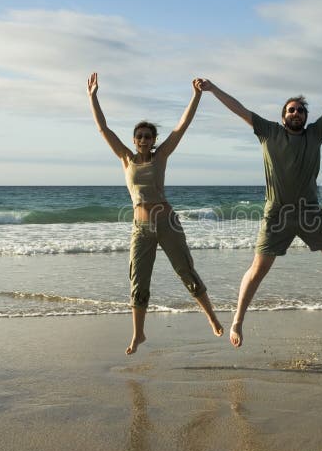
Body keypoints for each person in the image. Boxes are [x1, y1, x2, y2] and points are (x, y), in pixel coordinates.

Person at [198, 53, 322, 348]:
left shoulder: (316, 134)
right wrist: (213, 89)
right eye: (291, 110)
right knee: (258, 269)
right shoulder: (268, 132)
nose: (296, 113)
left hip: (310, 213)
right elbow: (240, 109)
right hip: (276, 215)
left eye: (300, 110)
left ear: (305, 116)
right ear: (283, 115)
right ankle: (237, 320)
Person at [87, 73, 223, 354]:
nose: (144, 140)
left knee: (185, 270)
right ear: (134, 140)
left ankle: (211, 317)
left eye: (148, 136)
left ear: (154, 139)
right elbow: (103, 130)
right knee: (138, 281)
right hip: (141, 228)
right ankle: (139, 334)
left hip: (167, 223)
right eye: (140, 137)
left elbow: (182, 126)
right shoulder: (126, 159)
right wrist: (93, 97)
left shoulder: (161, 156)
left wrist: (196, 95)